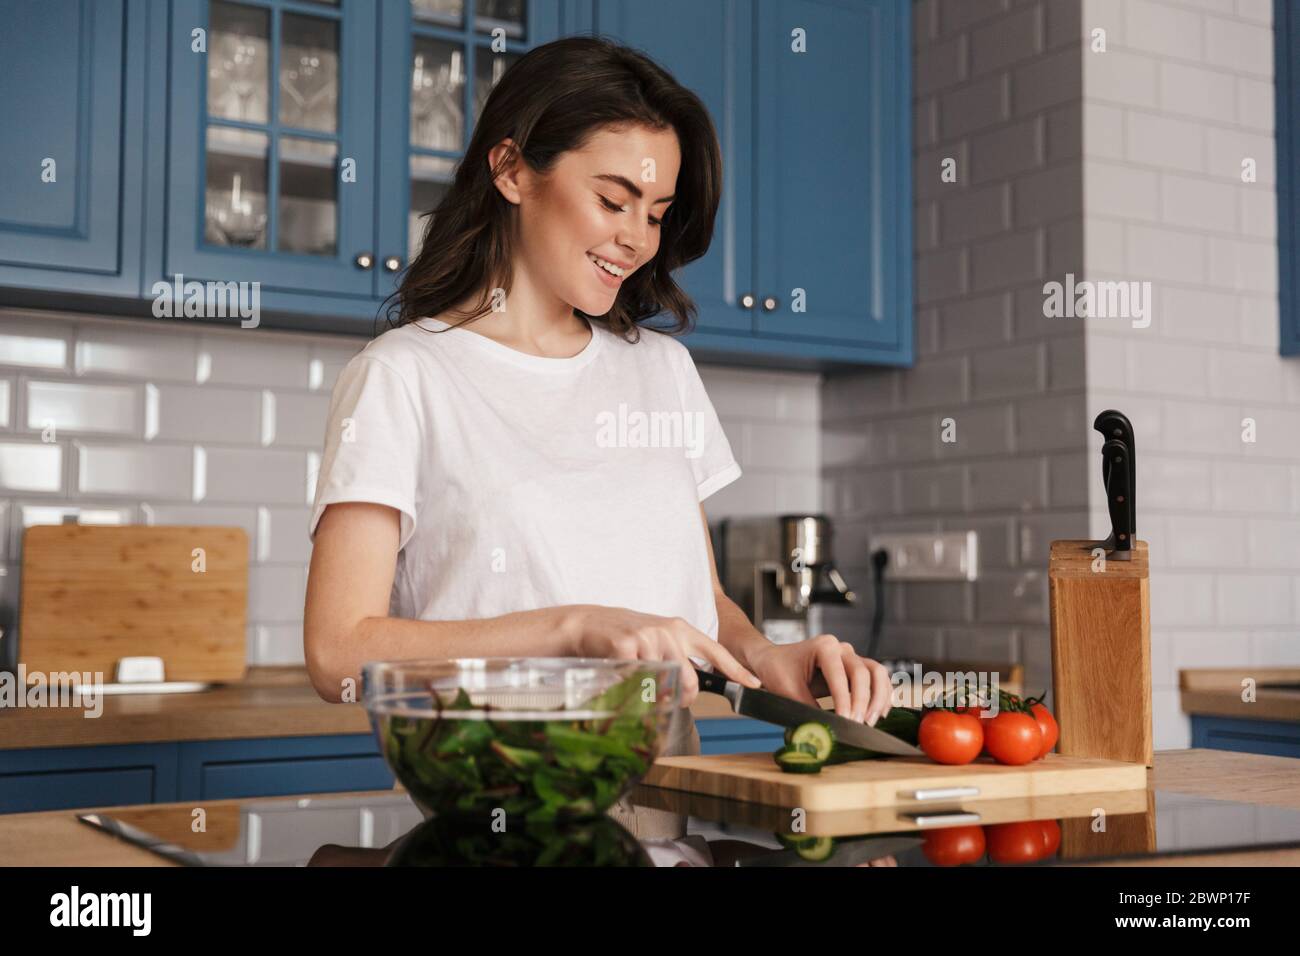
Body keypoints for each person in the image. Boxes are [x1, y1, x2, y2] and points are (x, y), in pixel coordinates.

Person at [303, 37, 894, 757]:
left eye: (655, 214)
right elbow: (338, 651)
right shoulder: (405, 376)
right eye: (613, 200)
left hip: (670, 800)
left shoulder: (662, 372)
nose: (636, 239)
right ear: (512, 169)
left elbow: (699, 599)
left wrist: (764, 658)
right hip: (494, 801)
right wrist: (572, 629)